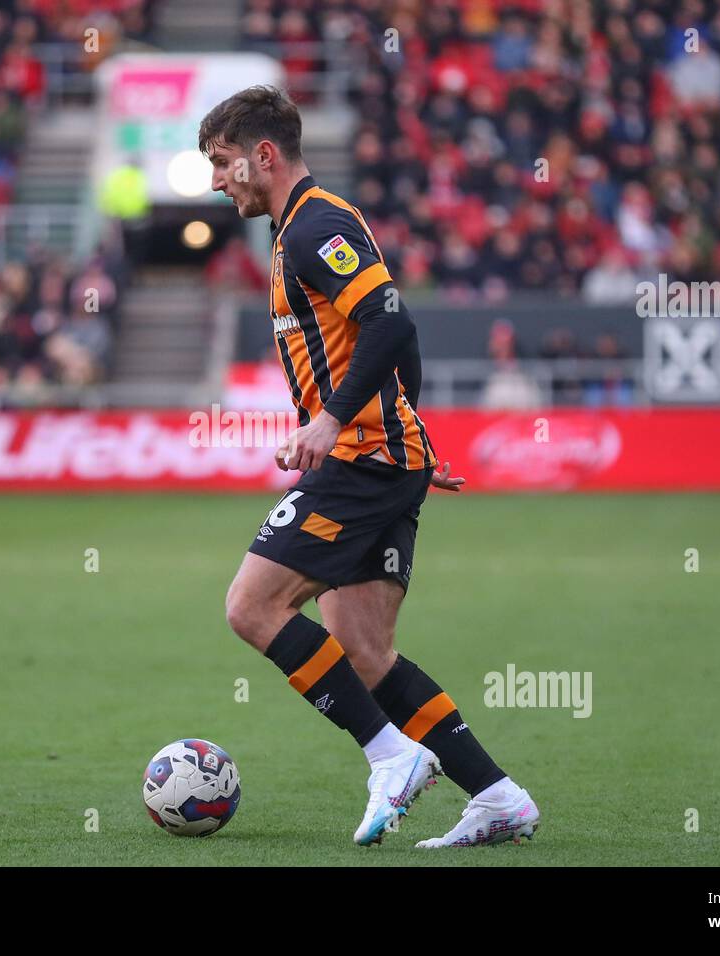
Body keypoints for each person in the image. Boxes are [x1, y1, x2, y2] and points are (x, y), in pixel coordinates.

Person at [200, 86, 539, 847]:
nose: (217, 181)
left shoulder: (318, 223)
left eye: (223, 163)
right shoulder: (298, 233)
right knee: (364, 650)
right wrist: (406, 438)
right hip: (384, 456)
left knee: (252, 607)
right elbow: (395, 338)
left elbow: (391, 320)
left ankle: (391, 756)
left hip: (358, 459)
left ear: (264, 154)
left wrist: (340, 423)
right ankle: (497, 795)